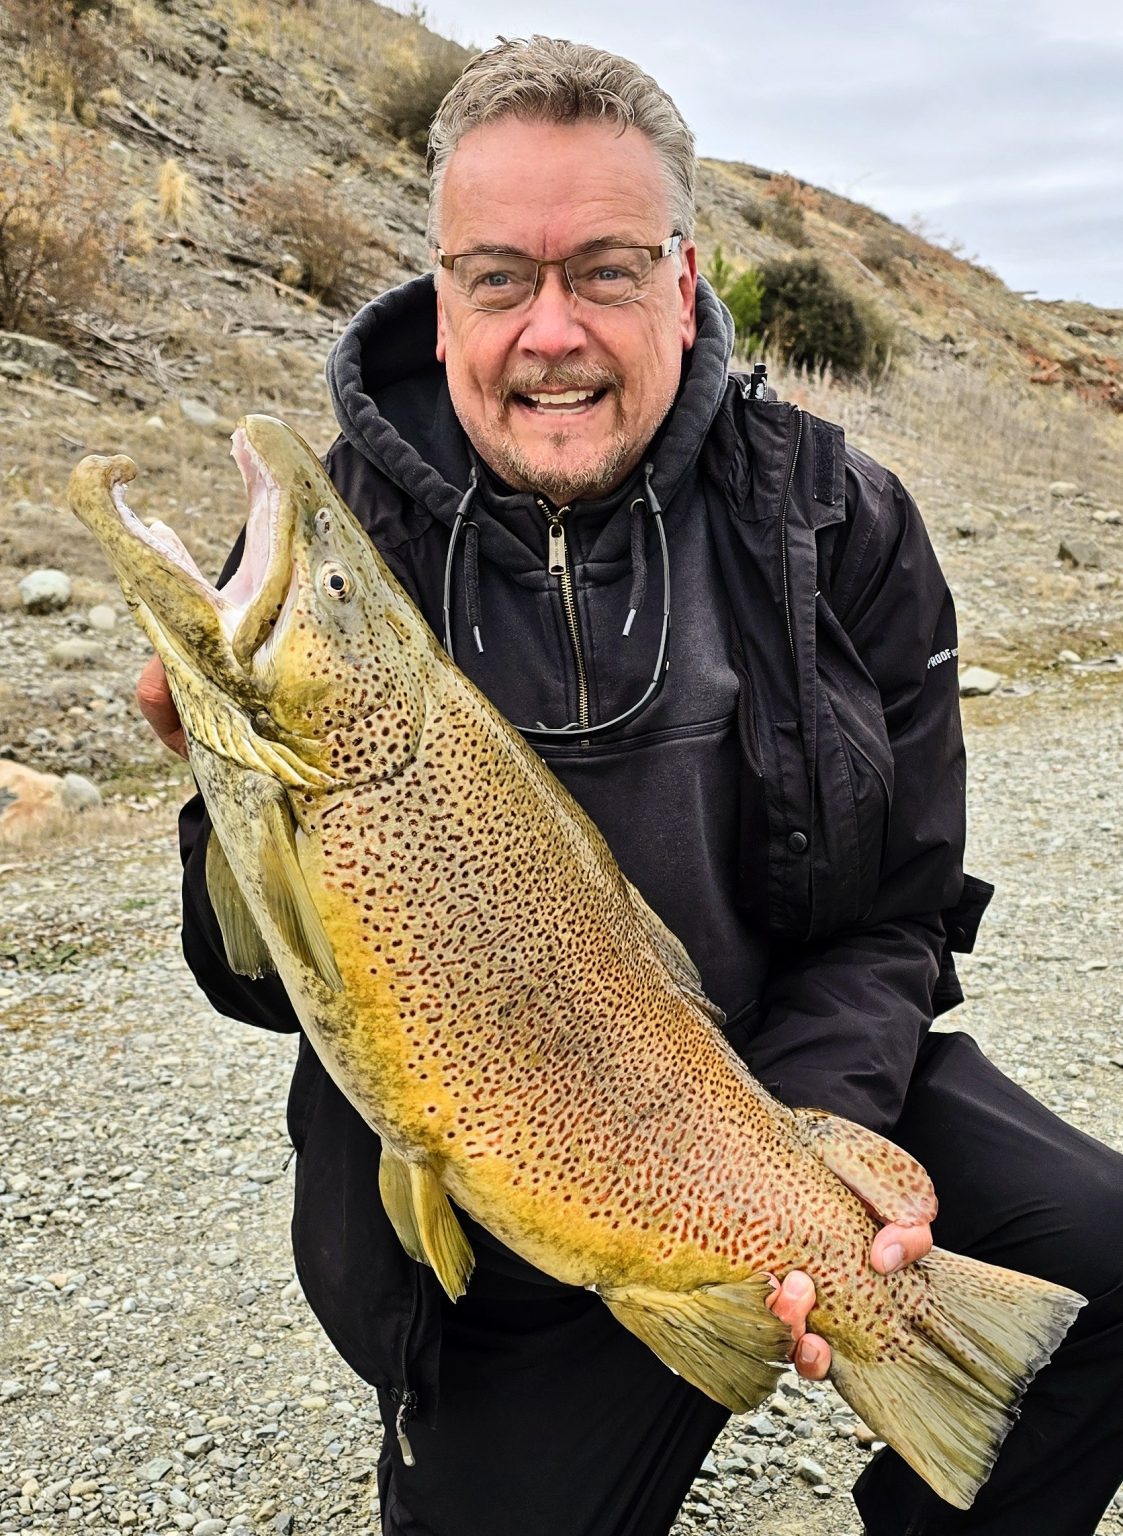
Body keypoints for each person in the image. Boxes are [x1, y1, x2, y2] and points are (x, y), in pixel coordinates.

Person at [136, 36, 1123, 1536]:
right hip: (500, 1181)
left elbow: (895, 918)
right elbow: (256, 982)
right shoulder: (341, 565)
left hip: (773, 1086)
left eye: (602, 270)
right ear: (438, 288)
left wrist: (804, 1145)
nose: (552, 333)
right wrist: (231, 797)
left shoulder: (839, 520)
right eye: (498, 277)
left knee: (1103, 1273)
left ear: (682, 275)